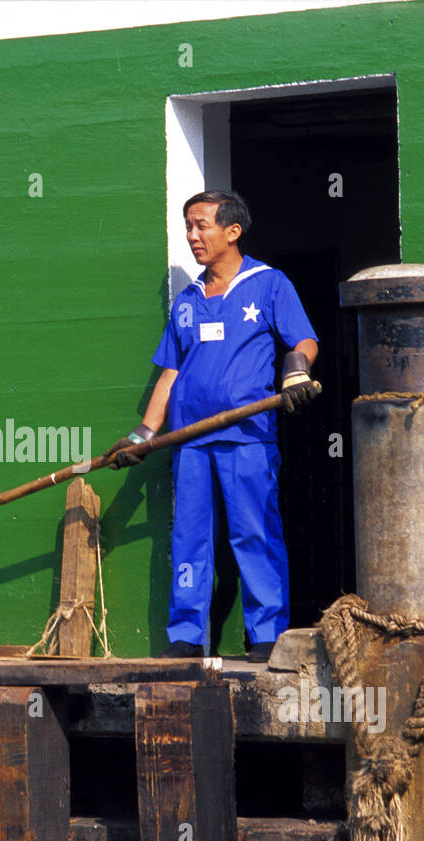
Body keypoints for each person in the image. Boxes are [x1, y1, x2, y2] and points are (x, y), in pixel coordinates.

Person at [104, 190, 319, 659]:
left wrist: (297, 370)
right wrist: (144, 434)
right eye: (188, 225)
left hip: (247, 437)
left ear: (233, 231)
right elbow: (171, 371)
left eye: (201, 225)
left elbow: (301, 339)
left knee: (253, 532)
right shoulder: (188, 299)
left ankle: (266, 635)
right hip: (190, 443)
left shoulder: (269, 284)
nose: (192, 235)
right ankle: (186, 636)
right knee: (190, 536)